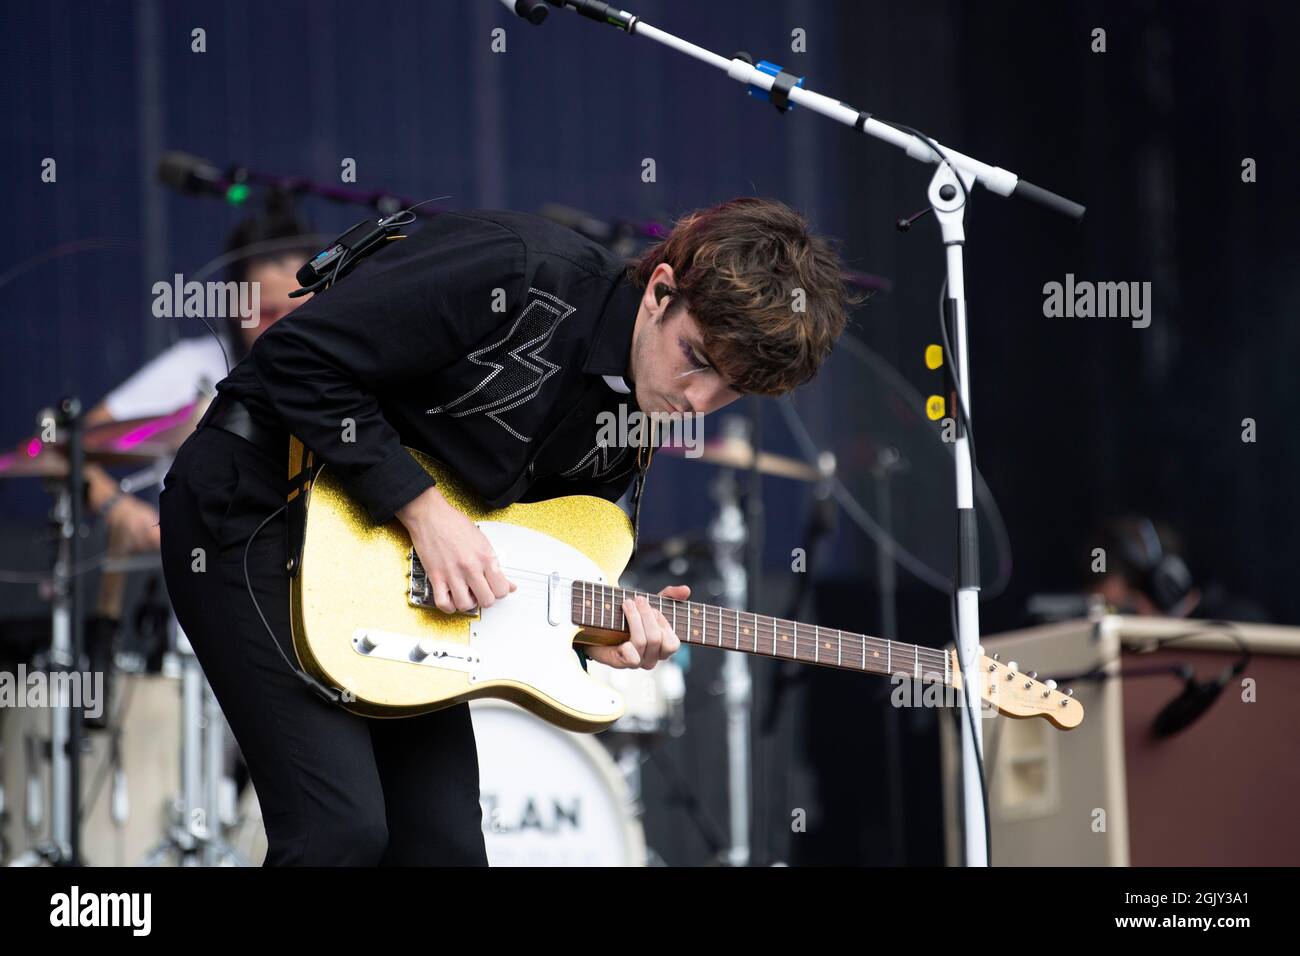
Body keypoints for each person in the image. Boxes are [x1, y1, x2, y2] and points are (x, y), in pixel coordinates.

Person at [158, 196, 856, 865]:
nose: (696, 402)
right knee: (336, 833)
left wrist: (591, 633)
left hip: (385, 572)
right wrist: (423, 510)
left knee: (444, 849)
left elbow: (516, 542)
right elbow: (293, 358)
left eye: (729, 390)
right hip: (250, 507)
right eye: (698, 359)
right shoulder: (519, 268)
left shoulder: (635, 416)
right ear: (661, 289)